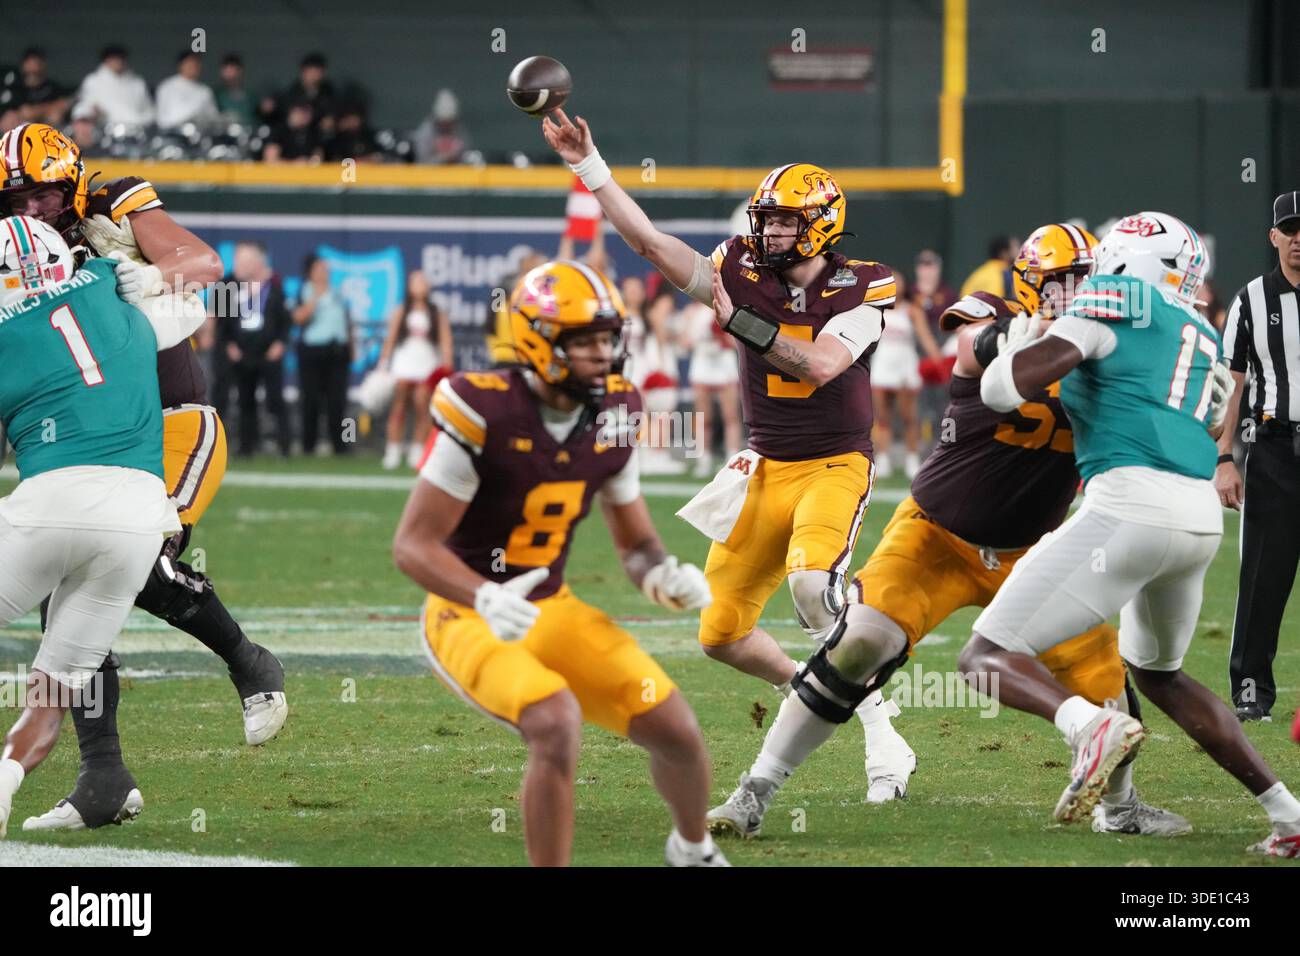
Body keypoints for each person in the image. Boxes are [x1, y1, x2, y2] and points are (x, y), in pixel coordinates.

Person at [709, 225, 1185, 836]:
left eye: (1083, 280)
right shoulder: (1003, 320)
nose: (1071, 293)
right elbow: (967, 344)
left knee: (1105, 681)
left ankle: (1119, 807)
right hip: (935, 535)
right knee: (855, 646)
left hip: (1034, 552)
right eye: (1058, 282)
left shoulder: (1114, 354)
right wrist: (1031, 334)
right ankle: (755, 792)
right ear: (1030, 286)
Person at [541, 113, 913, 789]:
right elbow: (653, 246)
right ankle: (817, 691)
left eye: (782, 222)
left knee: (812, 588)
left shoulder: (866, 284)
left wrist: (738, 319)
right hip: (764, 464)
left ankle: (882, 732)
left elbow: (820, 365)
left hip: (834, 462)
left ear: (822, 224)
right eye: (764, 219)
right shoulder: (738, 265)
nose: (766, 231)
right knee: (720, 635)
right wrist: (589, 165)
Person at [957, 212, 1300, 857]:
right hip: (1197, 518)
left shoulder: (1118, 298)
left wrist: (1017, 344)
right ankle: (1287, 812)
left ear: (1119, 259)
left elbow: (1003, 392)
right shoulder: (1197, 325)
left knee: (984, 657)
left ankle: (1090, 727)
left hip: (1130, 506)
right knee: (1160, 674)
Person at [0, 124, 286, 831]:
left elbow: (202, 263)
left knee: (143, 565)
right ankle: (103, 773)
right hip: (80, 439)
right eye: (14, 197)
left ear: (69, 188)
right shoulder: (15, 246)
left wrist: (156, 276)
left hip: (171, 421)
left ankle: (249, 661)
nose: (29, 210)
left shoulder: (111, 203)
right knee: (65, 595)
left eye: (40, 194)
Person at [392, 259, 725, 867]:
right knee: (555, 722)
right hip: (465, 613)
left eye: (607, 339)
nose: (603, 354)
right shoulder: (483, 409)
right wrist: (484, 597)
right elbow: (412, 546)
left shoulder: (617, 410)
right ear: (539, 341)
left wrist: (661, 575)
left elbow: (635, 543)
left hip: (550, 606)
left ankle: (693, 849)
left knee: (676, 728)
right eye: (585, 341)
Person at [0, 216, 207, 837]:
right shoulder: (105, 284)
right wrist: (137, 275)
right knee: (51, 695)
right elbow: (191, 307)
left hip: (49, 502)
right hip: (138, 520)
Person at [1214, 190, 1300, 722]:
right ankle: (1251, 689)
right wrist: (1225, 457)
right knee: (1263, 575)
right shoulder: (1251, 299)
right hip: (1274, 450)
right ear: (1274, 237)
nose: (1298, 241)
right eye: (1290, 230)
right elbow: (1233, 381)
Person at [215, 241, 292, 457]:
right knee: (244, 400)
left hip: (268, 351)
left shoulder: (273, 286)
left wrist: (280, 343)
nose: (239, 265)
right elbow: (220, 323)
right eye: (237, 260)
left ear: (257, 263)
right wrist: (229, 344)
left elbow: (285, 320)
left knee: (275, 399)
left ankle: (284, 445)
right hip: (241, 352)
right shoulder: (226, 285)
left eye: (244, 261)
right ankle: (246, 446)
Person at [870, 271, 942, 479]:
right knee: (882, 417)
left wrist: (939, 361)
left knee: (909, 417)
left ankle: (912, 459)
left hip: (905, 367)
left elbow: (926, 337)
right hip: (882, 366)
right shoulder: (877, 309)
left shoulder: (912, 311)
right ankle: (882, 459)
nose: (894, 284)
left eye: (897, 280)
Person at [379, 269, 451, 469]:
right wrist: (383, 363)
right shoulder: (401, 311)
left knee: (422, 406)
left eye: (423, 282)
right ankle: (393, 449)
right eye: (415, 282)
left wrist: (446, 366)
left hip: (426, 365)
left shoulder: (436, 313)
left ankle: (417, 449)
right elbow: (391, 339)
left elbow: (445, 342)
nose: (419, 286)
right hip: (404, 364)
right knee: (399, 405)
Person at [294, 253, 353, 456]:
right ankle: (308, 445)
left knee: (339, 401)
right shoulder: (304, 291)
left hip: (338, 351)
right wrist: (315, 298)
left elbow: (346, 320)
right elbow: (299, 318)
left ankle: (343, 444)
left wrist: (350, 346)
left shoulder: (337, 293)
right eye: (320, 269)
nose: (324, 273)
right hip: (313, 351)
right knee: (311, 400)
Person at [680, 298, 742, 478]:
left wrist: (722, 336)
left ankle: (732, 458)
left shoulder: (728, 308)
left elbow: (736, 343)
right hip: (702, 363)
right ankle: (703, 459)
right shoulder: (692, 311)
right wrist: (700, 336)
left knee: (730, 416)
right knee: (702, 417)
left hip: (724, 363)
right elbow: (684, 343)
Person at [75, 45, 154, 129]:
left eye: (121, 59)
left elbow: (148, 110)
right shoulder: (93, 81)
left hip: (136, 131)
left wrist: (141, 121)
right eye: (114, 59)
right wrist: (91, 112)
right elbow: (84, 107)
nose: (118, 62)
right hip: (105, 131)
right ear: (106, 61)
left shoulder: (137, 83)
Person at [155, 51, 220, 131]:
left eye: (197, 63)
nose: (195, 67)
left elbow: (213, 117)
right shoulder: (166, 87)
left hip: (200, 135)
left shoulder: (205, 91)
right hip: (173, 134)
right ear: (181, 65)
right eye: (191, 63)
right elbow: (161, 118)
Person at [17, 48, 69, 127]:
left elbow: (63, 105)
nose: (34, 69)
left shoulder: (53, 87)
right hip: (23, 130)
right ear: (24, 65)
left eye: (37, 64)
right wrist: (49, 108)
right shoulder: (17, 87)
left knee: (55, 117)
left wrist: (35, 111)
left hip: (47, 130)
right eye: (30, 64)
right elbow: (26, 113)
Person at [959, 235, 1019, 300]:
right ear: (1003, 253)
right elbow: (995, 304)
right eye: (1016, 247)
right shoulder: (996, 274)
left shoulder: (989, 270)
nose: (1019, 251)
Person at [214, 54, 256, 126]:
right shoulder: (216, 94)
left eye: (231, 70)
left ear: (240, 71)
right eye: (225, 70)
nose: (228, 74)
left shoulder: (251, 95)